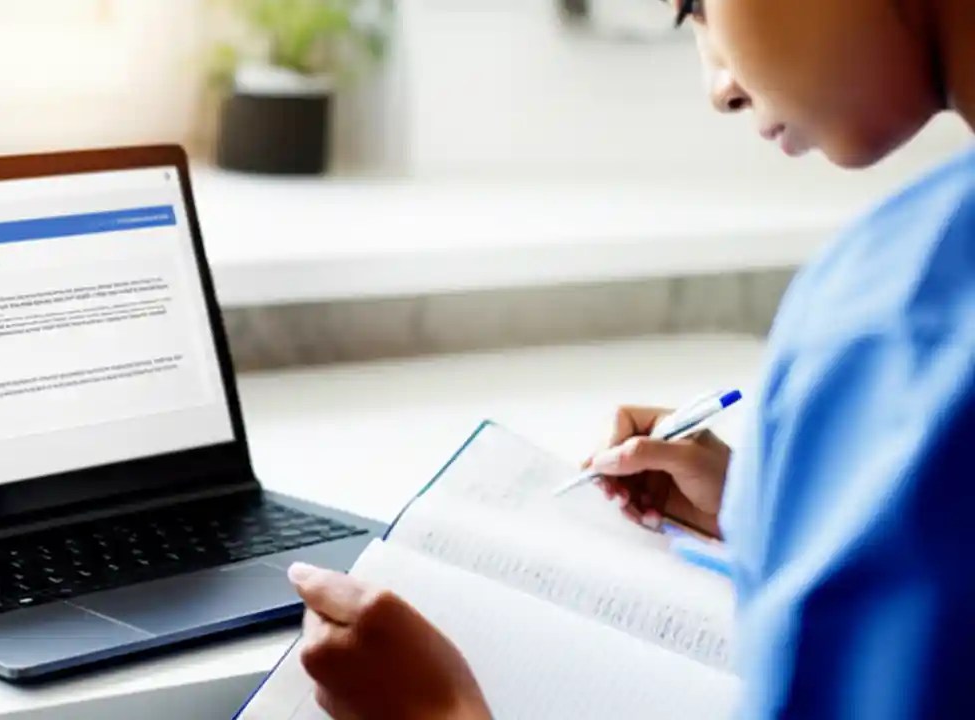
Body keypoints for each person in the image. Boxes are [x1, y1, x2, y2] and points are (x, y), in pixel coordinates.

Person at [284, 0, 975, 717]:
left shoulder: (898, 316)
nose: (720, 88)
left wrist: (442, 713)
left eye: (696, 6)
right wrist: (781, 510)